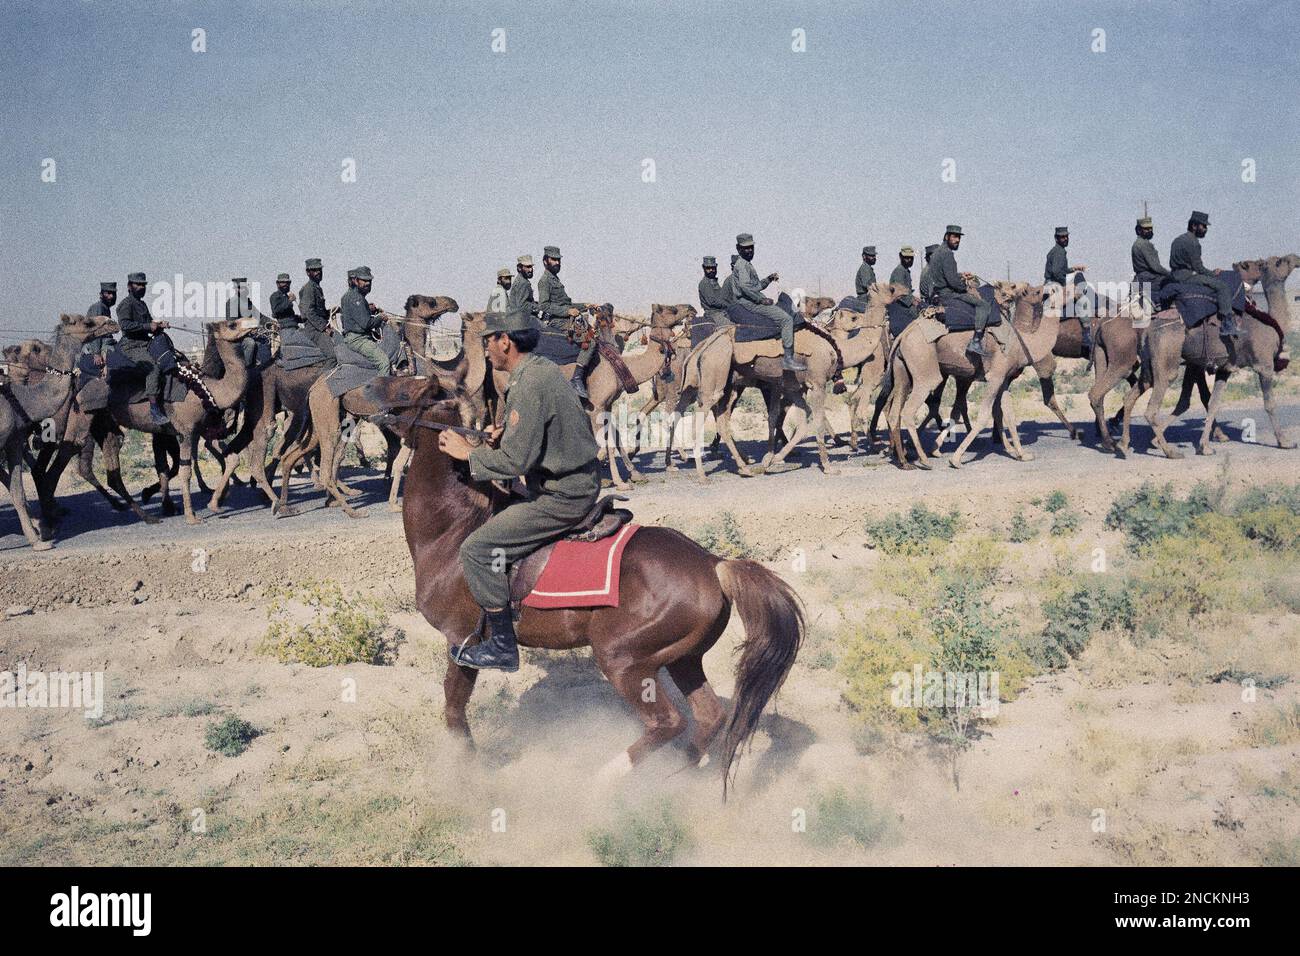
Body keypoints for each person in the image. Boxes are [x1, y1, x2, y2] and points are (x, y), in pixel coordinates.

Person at [438, 307, 601, 671]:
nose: (486, 351)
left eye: (488, 342)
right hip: (574, 480)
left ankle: (501, 647)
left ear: (505, 341)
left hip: (563, 494)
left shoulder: (528, 384)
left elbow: (515, 463)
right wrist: (503, 436)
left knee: (478, 549)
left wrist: (469, 455)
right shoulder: (540, 370)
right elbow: (534, 433)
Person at [733, 232, 804, 371]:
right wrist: (761, 299)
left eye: (751, 247)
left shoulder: (746, 264)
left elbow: (756, 286)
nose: (749, 251)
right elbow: (745, 287)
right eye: (745, 248)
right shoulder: (742, 265)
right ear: (738, 249)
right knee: (787, 319)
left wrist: (769, 279)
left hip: (750, 299)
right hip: (749, 303)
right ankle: (788, 359)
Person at [114, 272, 175, 425]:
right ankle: (154, 411)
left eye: (143, 285)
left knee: (169, 359)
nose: (141, 287)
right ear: (129, 286)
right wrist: (148, 326)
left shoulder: (142, 304)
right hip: (131, 346)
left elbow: (149, 323)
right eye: (137, 284)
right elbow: (125, 326)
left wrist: (159, 325)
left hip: (146, 342)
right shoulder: (125, 304)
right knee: (152, 368)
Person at [536, 245, 595, 398]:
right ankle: (576, 379)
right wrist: (568, 311)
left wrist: (585, 305)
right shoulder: (545, 281)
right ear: (545, 261)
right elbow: (544, 305)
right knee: (591, 343)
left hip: (565, 318)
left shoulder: (555, 279)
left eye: (558, 260)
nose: (557, 263)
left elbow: (566, 304)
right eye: (553, 259)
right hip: (557, 321)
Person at [1169, 210, 1239, 337]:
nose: (1206, 229)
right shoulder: (1194, 243)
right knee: (1222, 286)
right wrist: (1213, 273)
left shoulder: (1177, 240)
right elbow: (1199, 268)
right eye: (1203, 226)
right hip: (1187, 277)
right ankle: (1227, 324)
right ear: (1194, 226)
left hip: (1175, 275)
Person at [930, 225, 992, 357]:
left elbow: (946, 275)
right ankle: (975, 341)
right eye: (954, 236)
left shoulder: (937, 253)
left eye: (958, 237)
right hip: (950, 294)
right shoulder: (947, 254)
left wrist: (961, 276)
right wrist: (965, 287)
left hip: (941, 293)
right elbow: (952, 282)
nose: (957, 240)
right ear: (947, 237)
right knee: (983, 305)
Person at [339, 266, 390, 374]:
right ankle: (380, 390)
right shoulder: (356, 298)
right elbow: (366, 324)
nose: (367, 283)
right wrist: (380, 317)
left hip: (354, 337)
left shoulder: (351, 296)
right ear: (356, 281)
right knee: (384, 362)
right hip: (359, 339)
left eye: (369, 281)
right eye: (364, 280)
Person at [1131, 216, 1170, 311]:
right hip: (1149, 278)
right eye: (1146, 229)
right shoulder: (1143, 244)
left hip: (1143, 278)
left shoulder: (1140, 243)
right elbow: (1155, 267)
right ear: (1139, 230)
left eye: (1150, 228)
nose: (1149, 230)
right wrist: (1171, 274)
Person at [298, 257, 334, 353]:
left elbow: (318, 311)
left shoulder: (317, 288)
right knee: (333, 355)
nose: (318, 272)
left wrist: (331, 311)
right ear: (308, 272)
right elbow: (309, 312)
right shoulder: (309, 288)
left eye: (319, 269)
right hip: (314, 330)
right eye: (314, 270)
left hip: (319, 327)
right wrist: (324, 327)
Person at [698, 255, 731, 328]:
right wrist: (728, 304)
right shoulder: (705, 283)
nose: (711, 270)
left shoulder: (713, 282)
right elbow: (712, 301)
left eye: (713, 268)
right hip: (713, 314)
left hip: (722, 312)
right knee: (731, 327)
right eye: (708, 268)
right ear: (703, 267)